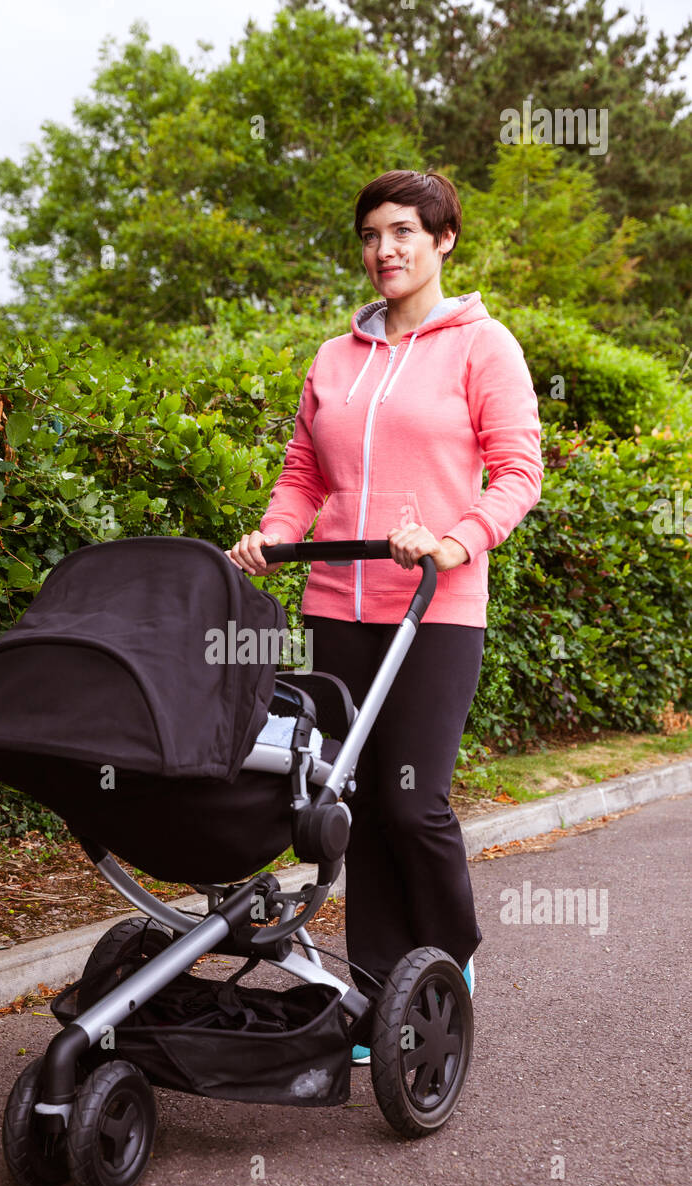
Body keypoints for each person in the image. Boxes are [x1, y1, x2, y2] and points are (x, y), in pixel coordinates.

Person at [226, 169, 543, 1060]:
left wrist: (456, 538)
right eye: (371, 235)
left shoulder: (485, 348)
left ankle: (446, 963)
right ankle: (376, 990)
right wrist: (272, 534)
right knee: (349, 800)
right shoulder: (334, 358)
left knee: (415, 803)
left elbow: (519, 470)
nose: (384, 251)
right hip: (339, 606)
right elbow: (304, 477)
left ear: (444, 241)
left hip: (435, 610)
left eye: (403, 231)